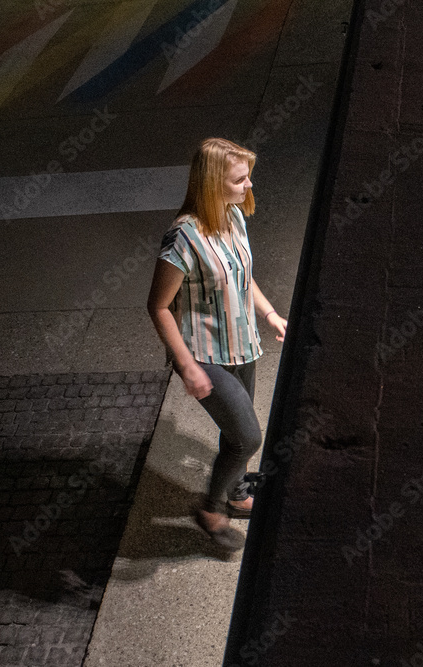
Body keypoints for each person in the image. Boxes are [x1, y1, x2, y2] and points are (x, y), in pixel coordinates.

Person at [147, 138, 287, 550]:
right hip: (203, 353)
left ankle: (238, 492)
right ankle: (210, 509)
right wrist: (186, 365)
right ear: (212, 184)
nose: (249, 185)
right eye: (241, 179)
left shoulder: (233, 216)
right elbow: (158, 306)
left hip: (242, 343)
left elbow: (243, 275)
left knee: (235, 430)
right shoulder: (182, 239)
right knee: (248, 437)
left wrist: (270, 314)